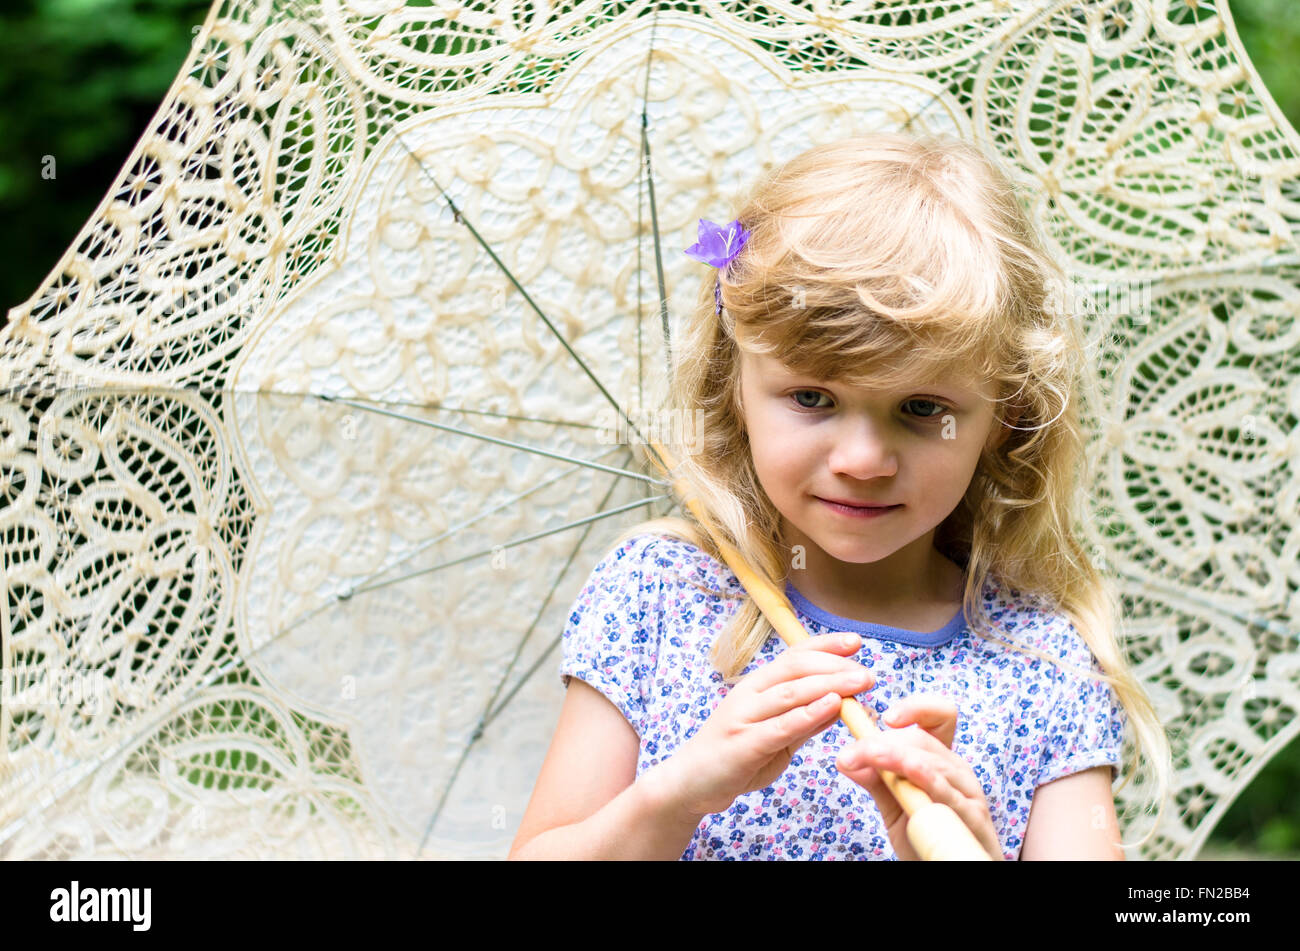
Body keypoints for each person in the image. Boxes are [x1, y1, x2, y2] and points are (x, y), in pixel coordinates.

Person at [508, 132, 1172, 861]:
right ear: (738, 387)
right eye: (813, 396)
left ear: (1001, 417)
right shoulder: (661, 595)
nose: (862, 460)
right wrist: (678, 795)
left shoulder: (1042, 662)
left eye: (922, 409)